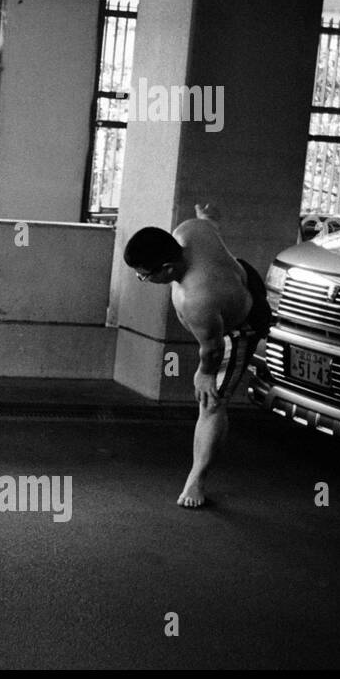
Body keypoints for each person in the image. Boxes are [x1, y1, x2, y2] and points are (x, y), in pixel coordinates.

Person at [124, 203, 273, 508]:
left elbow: (213, 348)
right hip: (241, 285)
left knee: (211, 400)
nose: (145, 280)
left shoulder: (199, 298)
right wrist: (207, 217)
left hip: (237, 331)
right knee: (211, 396)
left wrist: (205, 373)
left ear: (167, 269)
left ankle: (197, 480)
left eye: (144, 276)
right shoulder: (191, 230)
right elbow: (211, 224)